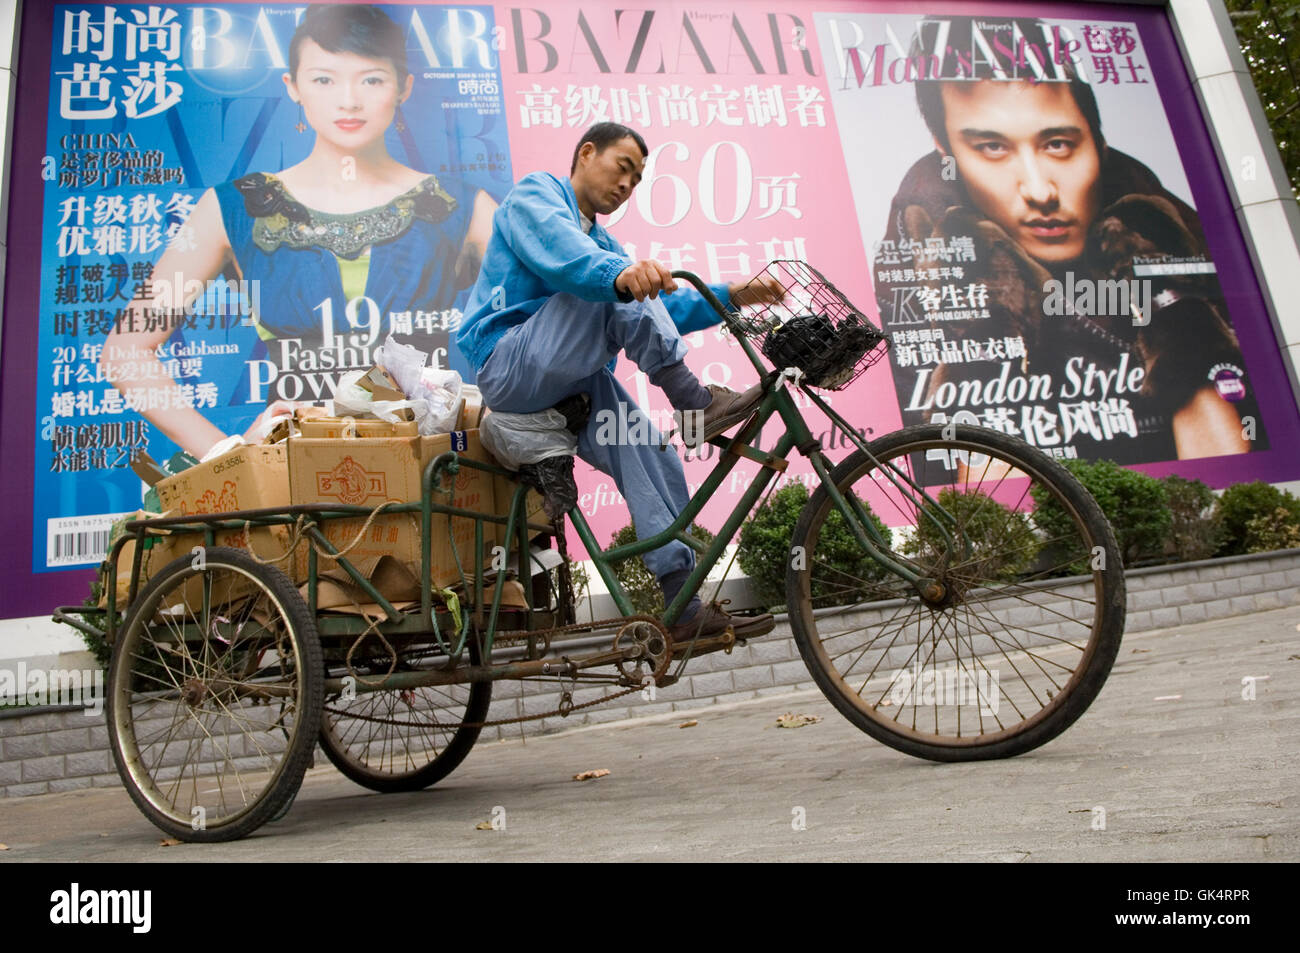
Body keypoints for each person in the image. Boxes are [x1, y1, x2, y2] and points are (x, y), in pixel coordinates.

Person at [101, 3, 497, 459]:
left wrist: (494, 418)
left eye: (371, 79)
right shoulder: (234, 207)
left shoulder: (461, 205)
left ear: (403, 87)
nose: (348, 99)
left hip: (435, 470)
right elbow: (126, 349)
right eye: (324, 79)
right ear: (293, 87)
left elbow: (543, 319)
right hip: (294, 481)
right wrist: (225, 454)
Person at [877, 15, 1259, 463]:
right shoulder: (924, 248)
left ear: (1096, 140)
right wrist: (983, 334)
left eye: (1057, 143)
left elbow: (1232, 471)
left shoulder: (1161, 231)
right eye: (993, 148)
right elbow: (967, 493)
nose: (1040, 191)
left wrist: (1181, 325)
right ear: (946, 150)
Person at [457, 122, 783, 640]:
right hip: (509, 366)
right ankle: (693, 401)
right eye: (622, 167)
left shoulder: (603, 244)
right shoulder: (535, 196)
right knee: (615, 287)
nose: (627, 185)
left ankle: (680, 603)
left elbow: (658, 303)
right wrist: (619, 277)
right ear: (587, 153)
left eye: (636, 179)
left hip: (572, 384)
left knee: (650, 453)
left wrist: (733, 294)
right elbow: (567, 258)